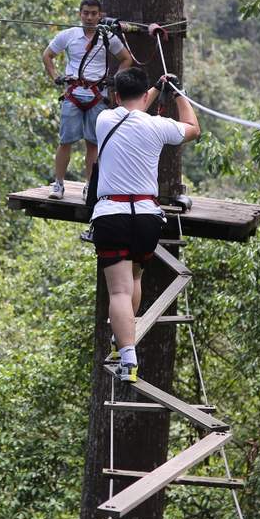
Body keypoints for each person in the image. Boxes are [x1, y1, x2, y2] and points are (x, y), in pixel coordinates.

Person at [90, 67, 201, 383]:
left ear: (115, 96)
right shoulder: (158, 126)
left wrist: (154, 86)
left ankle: (127, 358)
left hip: (112, 214)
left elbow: (134, 106)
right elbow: (193, 128)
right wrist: (177, 94)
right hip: (148, 216)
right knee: (135, 275)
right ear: (144, 95)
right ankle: (123, 338)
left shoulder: (104, 120)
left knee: (119, 290)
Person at [42, 0, 135, 199]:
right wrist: (56, 76)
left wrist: (114, 79)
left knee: (92, 143)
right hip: (73, 93)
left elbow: (126, 58)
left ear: (100, 15)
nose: (90, 17)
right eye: (86, 13)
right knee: (65, 141)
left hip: (97, 95)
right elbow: (47, 55)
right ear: (80, 14)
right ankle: (58, 184)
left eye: (94, 13)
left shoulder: (107, 36)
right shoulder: (69, 35)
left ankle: (88, 186)